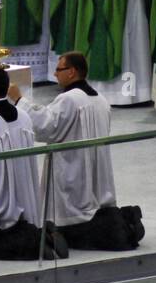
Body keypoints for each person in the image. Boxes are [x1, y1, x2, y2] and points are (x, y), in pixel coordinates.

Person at [9, 52, 144, 250]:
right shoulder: (101, 100)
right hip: (95, 168)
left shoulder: (69, 100)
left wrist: (19, 101)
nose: (55, 74)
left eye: (59, 69)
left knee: (71, 215)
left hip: (74, 169)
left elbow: (47, 126)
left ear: (72, 72)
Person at [0, 68, 66, 260]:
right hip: (25, 200)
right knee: (15, 230)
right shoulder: (24, 117)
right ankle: (41, 235)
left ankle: (34, 243)